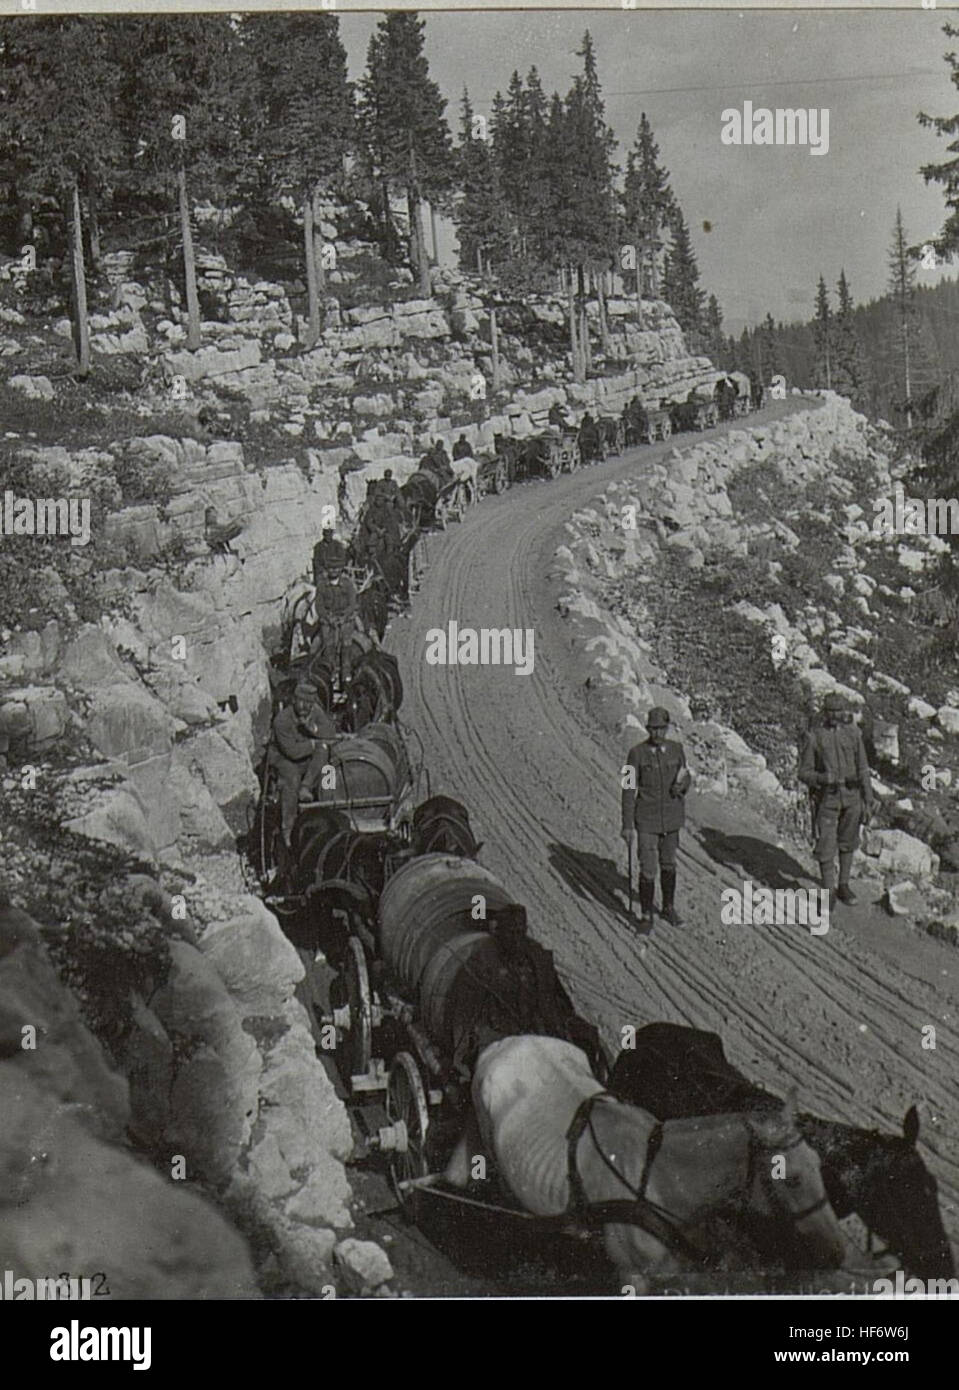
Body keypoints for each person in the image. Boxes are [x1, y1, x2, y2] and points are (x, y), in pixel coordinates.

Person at [798, 692, 872, 906]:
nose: (835, 715)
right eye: (831, 711)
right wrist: (823, 778)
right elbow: (803, 772)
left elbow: (863, 768)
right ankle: (828, 890)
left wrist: (868, 799)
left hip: (852, 797)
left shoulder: (853, 734)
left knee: (848, 842)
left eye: (838, 711)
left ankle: (844, 885)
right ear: (824, 712)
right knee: (826, 845)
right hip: (827, 799)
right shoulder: (815, 736)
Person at [621, 707, 692, 928]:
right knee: (648, 868)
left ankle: (668, 908)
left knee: (669, 864)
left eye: (661, 728)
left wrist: (682, 786)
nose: (657, 733)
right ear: (647, 729)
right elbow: (628, 789)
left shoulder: (677, 750)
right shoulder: (636, 754)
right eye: (653, 729)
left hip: (671, 819)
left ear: (667, 728)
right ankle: (645, 915)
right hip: (647, 821)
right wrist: (627, 825)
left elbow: (685, 775)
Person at [272, 681, 337, 845]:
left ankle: (328, 805)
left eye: (309, 703)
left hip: (306, 758)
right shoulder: (282, 720)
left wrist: (312, 728)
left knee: (329, 768)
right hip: (284, 759)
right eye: (301, 701)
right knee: (291, 779)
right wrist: (313, 744)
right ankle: (288, 828)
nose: (304, 706)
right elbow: (292, 752)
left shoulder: (315, 713)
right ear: (294, 700)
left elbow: (330, 734)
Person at [312, 560, 359, 685]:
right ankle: (331, 671)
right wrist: (328, 618)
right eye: (331, 568)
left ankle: (346, 672)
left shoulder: (347, 584)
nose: (333, 571)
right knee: (328, 645)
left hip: (345, 619)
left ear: (340, 569)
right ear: (327, 570)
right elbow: (319, 606)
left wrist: (344, 617)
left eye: (336, 568)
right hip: (328, 620)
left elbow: (352, 603)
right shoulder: (322, 585)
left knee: (346, 643)